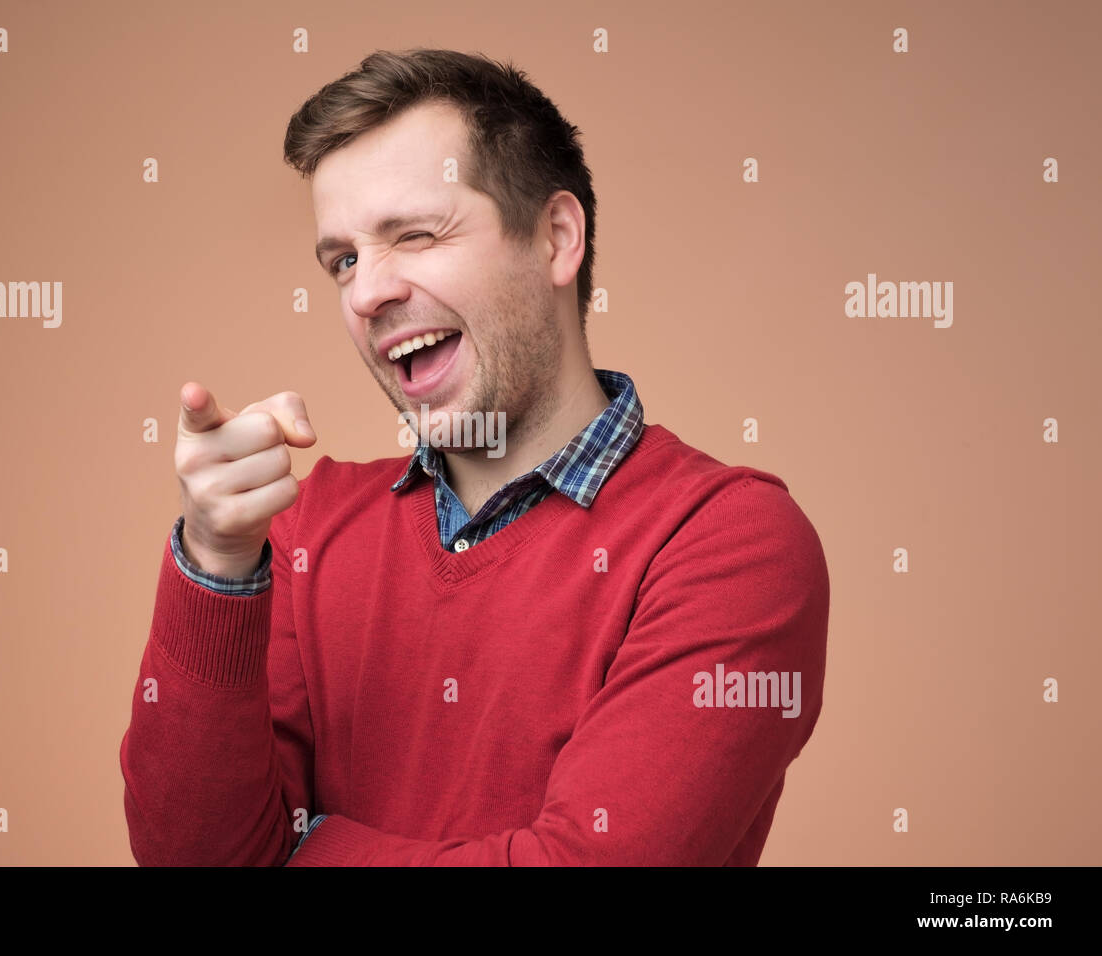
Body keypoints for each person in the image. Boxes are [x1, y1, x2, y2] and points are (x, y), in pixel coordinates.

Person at [119, 48, 830, 866]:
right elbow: (191, 857)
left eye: (415, 235)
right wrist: (215, 562)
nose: (365, 293)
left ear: (557, 238)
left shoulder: (731, 542)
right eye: (343, 259)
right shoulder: (305, 529)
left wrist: (298, 853)